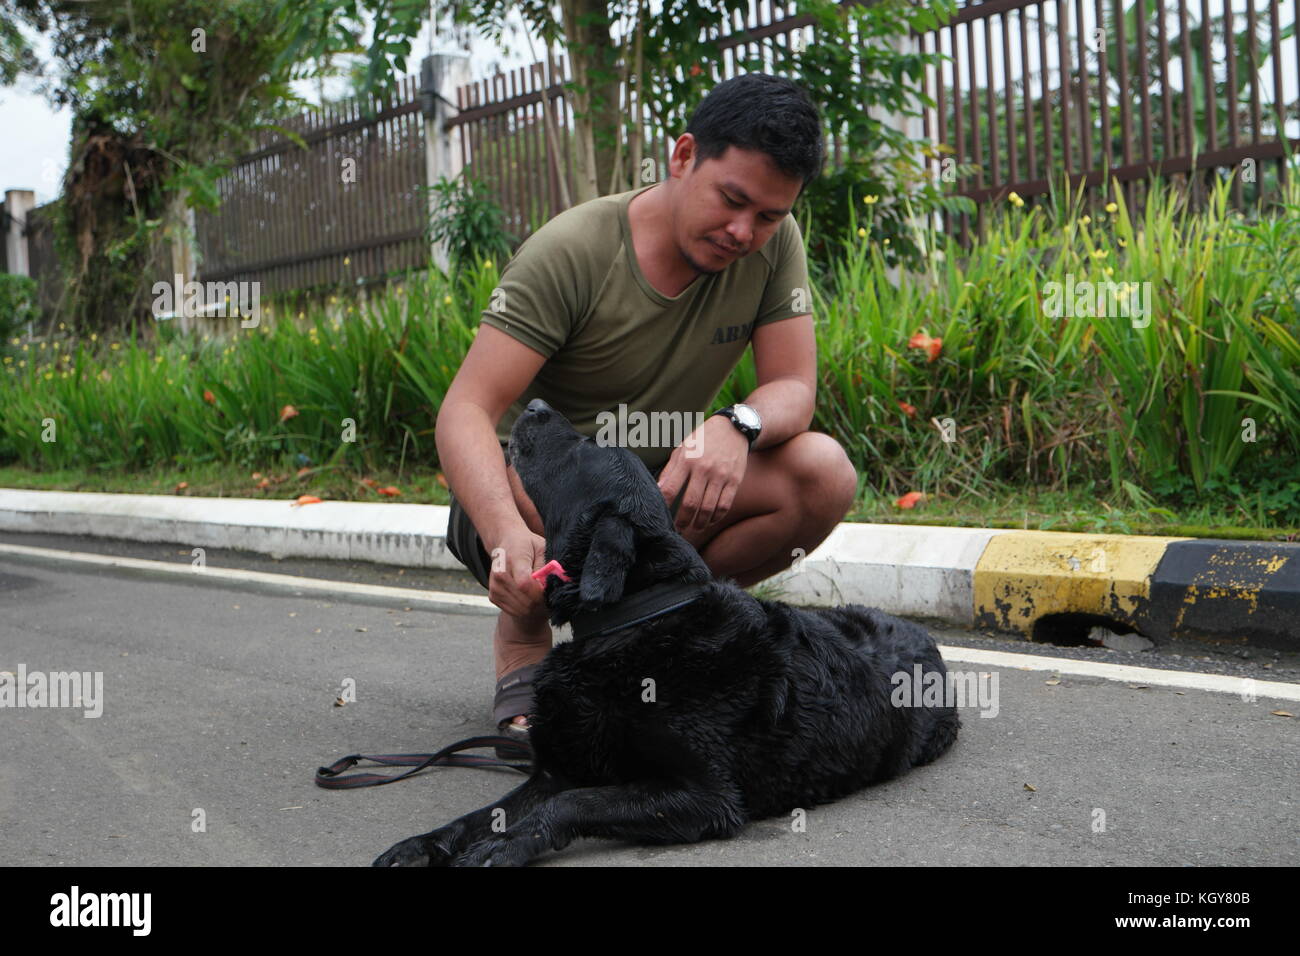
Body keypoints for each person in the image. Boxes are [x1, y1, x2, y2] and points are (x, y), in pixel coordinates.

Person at [437, 72, 859, 747]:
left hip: (659, 492)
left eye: (769, 215)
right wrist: (504, 535)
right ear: (685, 155)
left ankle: (668, 619)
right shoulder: (572, 252)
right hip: (546, 498)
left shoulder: (775, 243)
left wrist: (736, 425)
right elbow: (465, 410)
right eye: (732, 200)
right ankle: (524, 638)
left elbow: (793, 390)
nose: (743, 231)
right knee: (527, 514)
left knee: (823, 471)